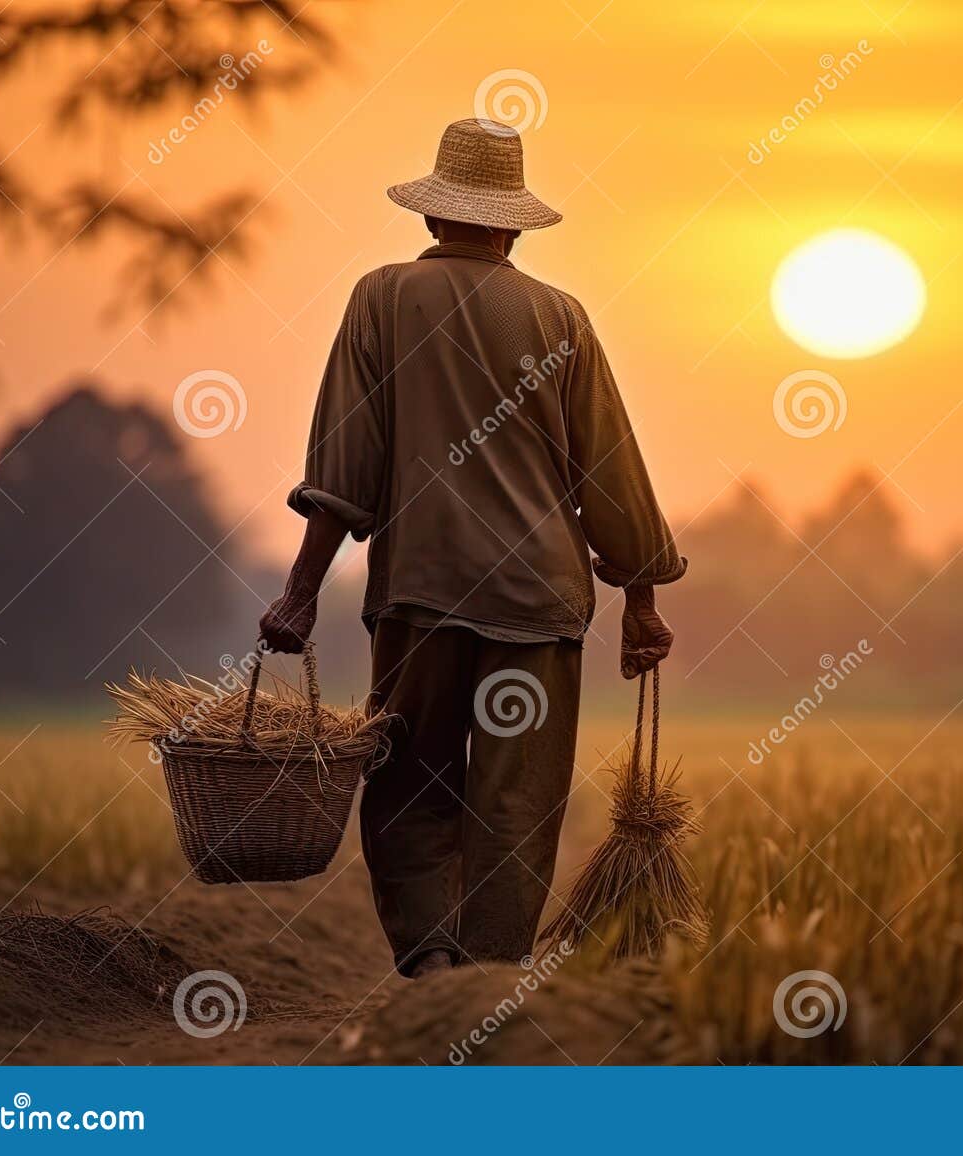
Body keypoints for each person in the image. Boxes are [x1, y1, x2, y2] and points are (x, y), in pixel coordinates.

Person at [259, 118, 685, 979]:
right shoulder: (559, 316)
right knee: (517, 800)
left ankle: (429, 965)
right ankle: (488, 984)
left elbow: (346, 466)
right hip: (539, 604)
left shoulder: (380, 298)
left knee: (409, 782)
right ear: (514, 225)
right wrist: (641, 602)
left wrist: (301, 591)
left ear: (431, 218)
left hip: (424, 596)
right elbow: (611, 468)